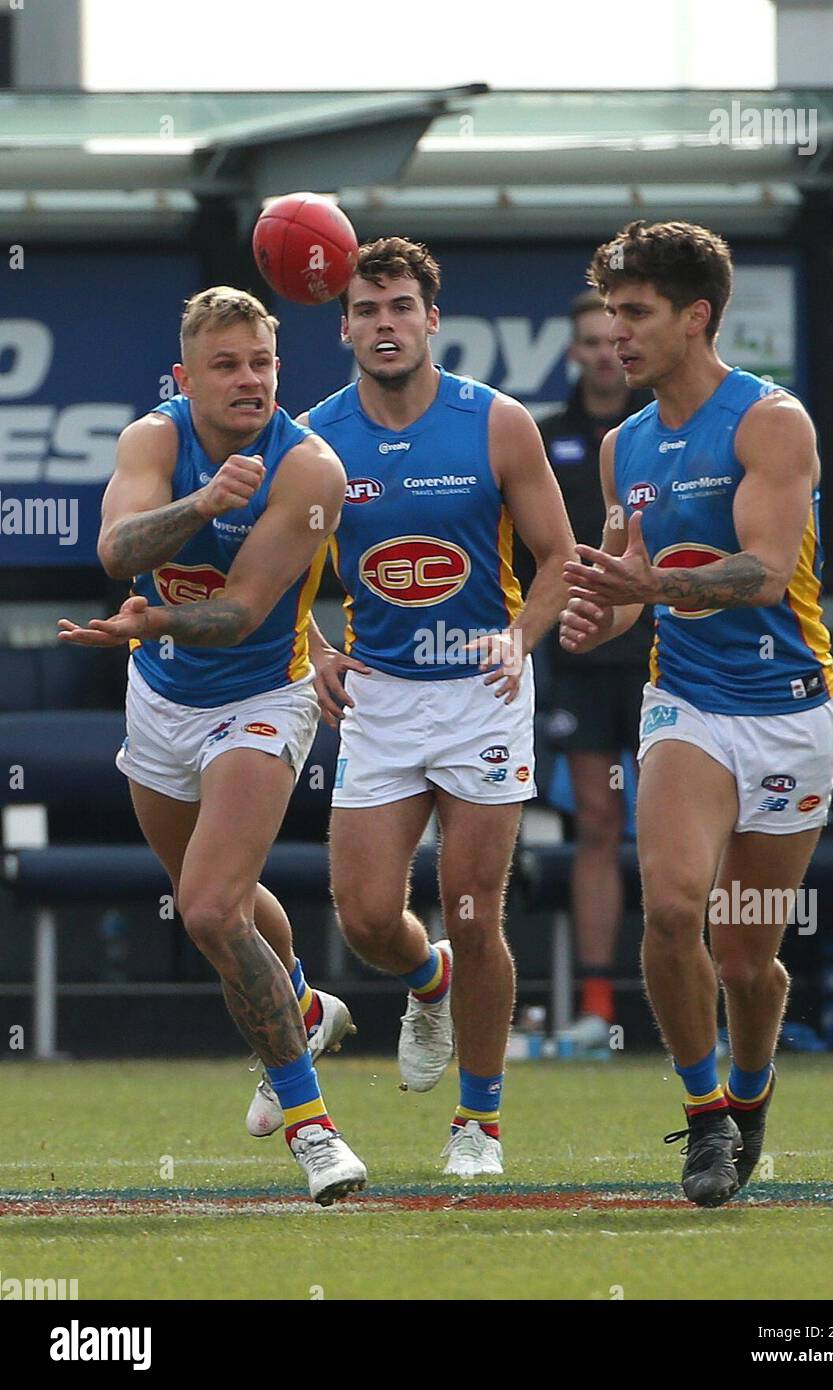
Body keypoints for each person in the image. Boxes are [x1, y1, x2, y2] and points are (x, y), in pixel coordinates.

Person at [57, 286, 366, 1206]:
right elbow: (116, 552)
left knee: (207, 909)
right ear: (185, 378)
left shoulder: (311, 470)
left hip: (263, 696)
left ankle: (315, 1131)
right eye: (226, 366)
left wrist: (151, 621)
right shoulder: (154, 440)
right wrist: (201, 501)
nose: (248, 381)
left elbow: (235, 617)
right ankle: (307, 1009)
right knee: (217, 896)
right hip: (159, 699)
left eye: (262, 364)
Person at [559, 221, 833, 1207]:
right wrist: (606, 610)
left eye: (636, 314)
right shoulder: (622, 445)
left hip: (790, 709)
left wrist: (650, 589)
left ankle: (753, 1087)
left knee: (747, 956)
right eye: (610, 312)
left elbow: (764, 574)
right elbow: (631, 586)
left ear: (696, 315)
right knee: (673, 905)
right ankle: (706, 1113)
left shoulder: (771, 421)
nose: (617, 333)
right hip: (687, 704)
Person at [294, 237, 577, 1177]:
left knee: (474, 904)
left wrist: (522, 635)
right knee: (369, 917)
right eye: (367, 310)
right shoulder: (316, 437)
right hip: (378, 696)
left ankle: (479, 1125)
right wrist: (319, 651)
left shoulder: (497, 425)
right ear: (344, 327)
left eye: (401, 307)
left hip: (481, 691)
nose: (385, 324)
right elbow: (276, 576)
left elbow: (559, 558)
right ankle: (430, 979)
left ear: (431, 320)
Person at [534, 290, 654, 1048]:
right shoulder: (547, 439)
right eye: (590, 341)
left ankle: (697, 991)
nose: (605, 352)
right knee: (599, 822)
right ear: (574, 352)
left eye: (615, 339)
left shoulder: (658, 432)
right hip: (577, 652)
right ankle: (600, 1008)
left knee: (682, 827)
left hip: (657, 650)